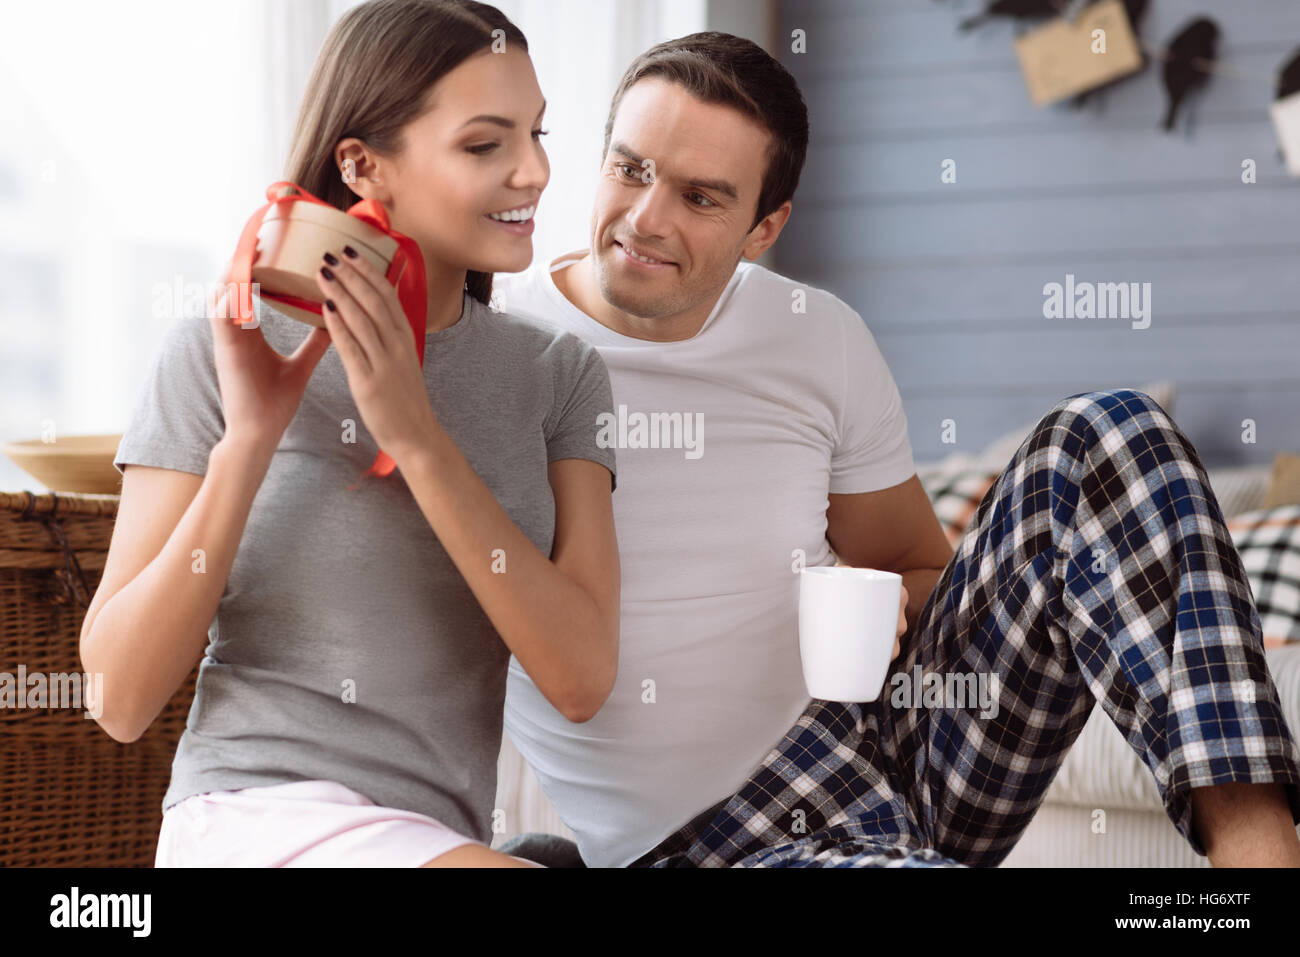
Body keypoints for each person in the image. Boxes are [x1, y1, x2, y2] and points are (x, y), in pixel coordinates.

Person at [493, 31, 1300, 868]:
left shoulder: (816, 336)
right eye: (631, 169)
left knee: (1110, 436)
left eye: (701, 198)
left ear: (763, 228)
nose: (645, 219)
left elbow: (916, 567)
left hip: (895, 744)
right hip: (711, 846)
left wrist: (889, 609)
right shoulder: (503, 357)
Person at [79, 0, 619, 868]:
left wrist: (418, 438)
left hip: (438, 841)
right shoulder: (220, 350)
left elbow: (581, 676)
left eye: (539, 133)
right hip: (252, 817)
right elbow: (118, 696)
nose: (534, 172)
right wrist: (248, 440)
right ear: (364, 166)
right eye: (487, 144)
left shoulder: (558, 376)